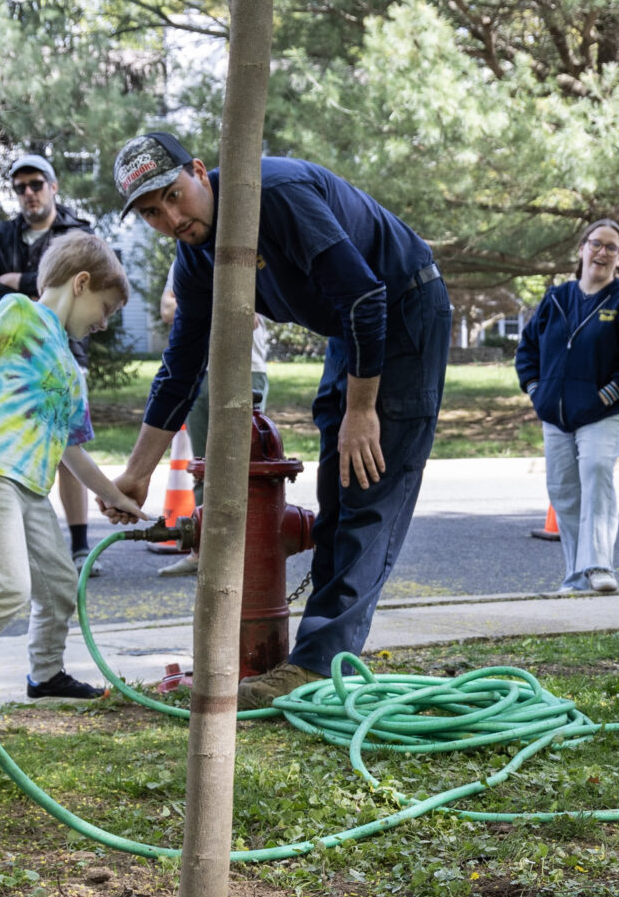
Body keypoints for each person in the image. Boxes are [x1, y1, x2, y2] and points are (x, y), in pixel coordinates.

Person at [110, 131, 449, 707]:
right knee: (339, 490)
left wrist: (362, 410)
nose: (169, 217)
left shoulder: (275, 194)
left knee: (368, 485)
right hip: (353, 332)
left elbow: (366, 295)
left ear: (198, 171)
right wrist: (137, 473)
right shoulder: (196, 257)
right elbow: (182, 365)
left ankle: (317, 664)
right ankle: (319, 653)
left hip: (402, 308)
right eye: (149, 212)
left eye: (173, 195)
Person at [0, 228, 143, 711]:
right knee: (8, 589)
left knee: (58, 588)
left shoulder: (71, 367)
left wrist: (114, 495)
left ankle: (46, 674)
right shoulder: (18, 312)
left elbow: (71, 448)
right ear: (80, 283)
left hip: (31, 488)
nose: (105, 323)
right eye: (107, 308)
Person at [515, 218, 619, 593]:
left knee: (595, 472)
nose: (602, 252)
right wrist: (536, 391)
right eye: (596, 244)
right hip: (557, 416)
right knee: (562, 491)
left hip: (605, 413)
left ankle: (598, 566)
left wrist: (604, 396)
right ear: (581, 248)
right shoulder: (556, 299)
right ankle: (576, 577)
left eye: (612, 247)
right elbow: (527, 350)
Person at [0, 153, 101, 575]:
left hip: (66, 351)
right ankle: (18, 546)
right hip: (15, 355)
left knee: (67, 440)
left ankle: (81, 543)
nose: (28, 194)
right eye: (20, 188)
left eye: (35, 184)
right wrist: (25, 289)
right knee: (13, 441)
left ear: (53, 186)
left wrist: (22, 282)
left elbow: (85, 282)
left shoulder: (76, 232)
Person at [155, 299, 271, 581]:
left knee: (241, 468)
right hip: (201, 368)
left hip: (246, 366)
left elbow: (255, 314)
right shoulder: (188, 258)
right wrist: (227, 303)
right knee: (204, 467)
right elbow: (169, 309)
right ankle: (201, 553)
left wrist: (210, 304)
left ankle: (240, 554)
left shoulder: (258, 254)